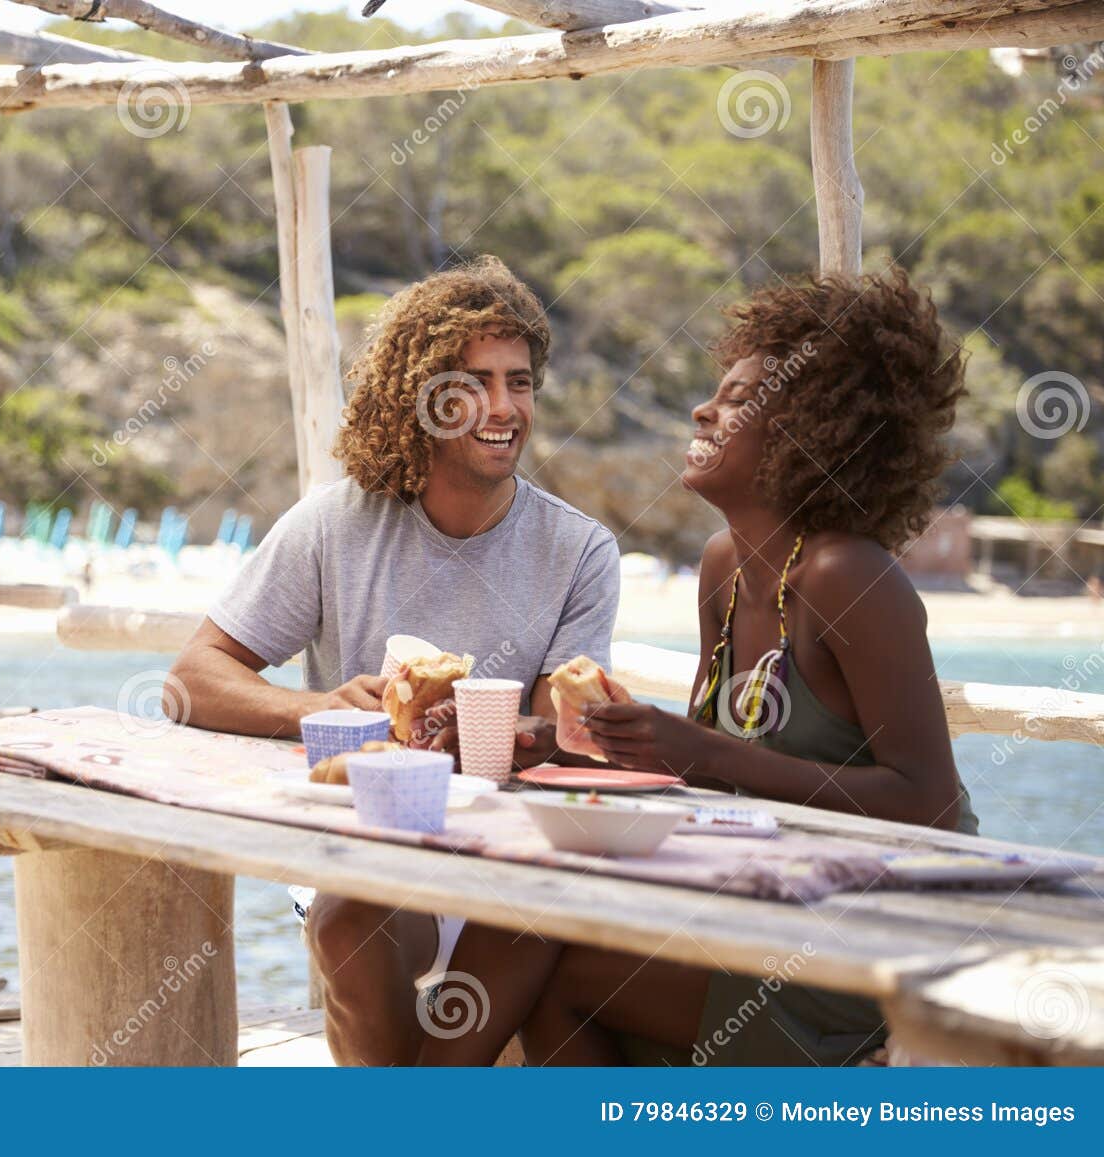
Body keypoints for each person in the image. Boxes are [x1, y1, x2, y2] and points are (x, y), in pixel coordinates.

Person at [418, 267, 981, 1067]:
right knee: (530, 920)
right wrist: (564, 744)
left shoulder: (849, 578)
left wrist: (700, 749)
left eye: (739, 397)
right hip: (757, 908)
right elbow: (698, 782)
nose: (702, 409)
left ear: (809, 431)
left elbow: (929, 804)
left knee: (543, 952)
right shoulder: (725, 568)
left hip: (866, 939)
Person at [167, 256, 620, 1065]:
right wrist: (322, 710)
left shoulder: (580, 550)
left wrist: (524, 733)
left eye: (519, 381)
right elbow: (192, 676)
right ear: (421, 396)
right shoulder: (335, 525)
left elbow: (559, 723)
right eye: (474, 381)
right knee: (350, 921)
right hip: (367, 843)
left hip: (511, 855)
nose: (503, 406)